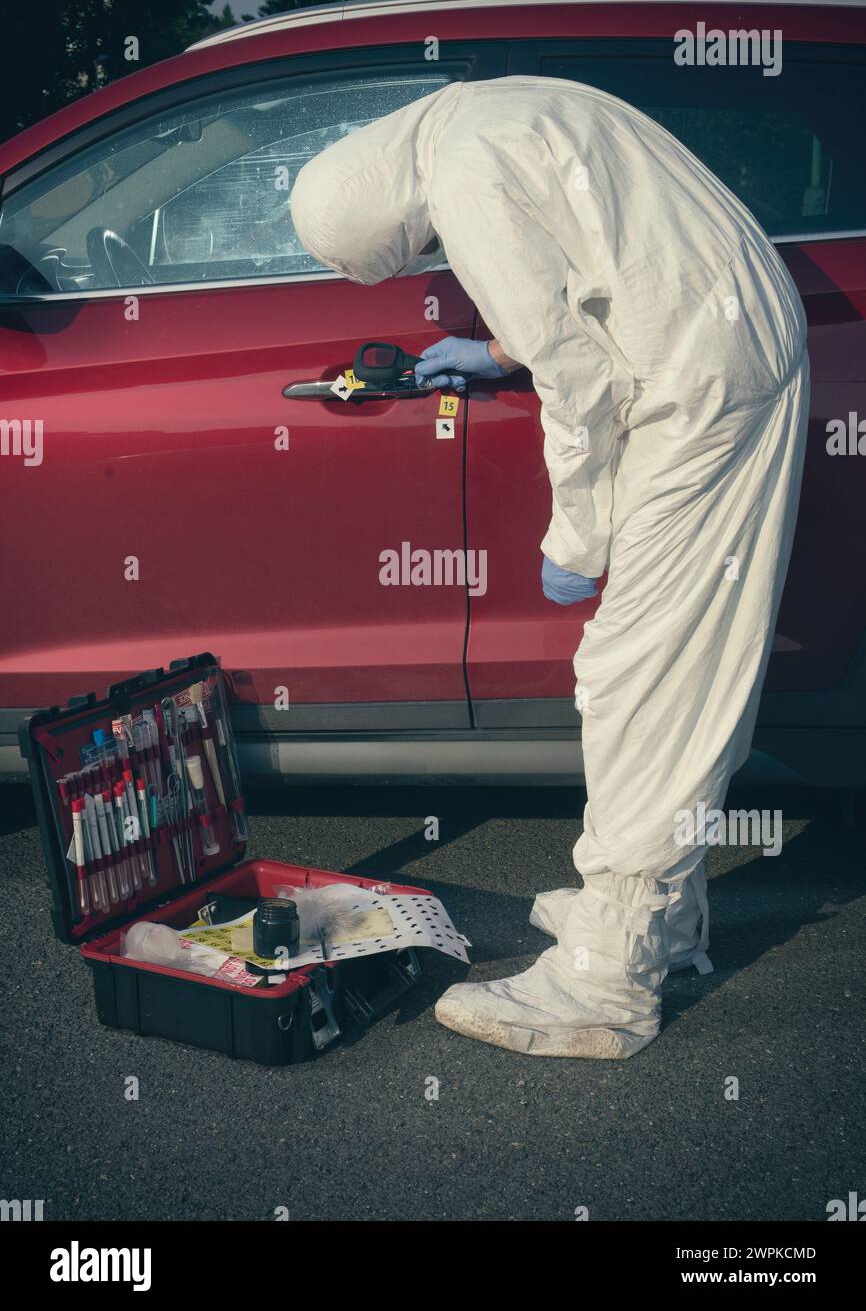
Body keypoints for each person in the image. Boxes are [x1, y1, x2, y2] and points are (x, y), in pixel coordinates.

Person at [290, 76, 810, 1059]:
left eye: (419, 245)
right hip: (720, 342)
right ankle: (669, 913)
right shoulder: (490, 110)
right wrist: (498, 352)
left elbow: (582, 386)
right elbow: (593, 259)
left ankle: (607, 978)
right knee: (672, 663)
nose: (432, 251)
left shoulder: (462, 170)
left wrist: (575, 536)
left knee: (639, 674)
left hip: (695, 378)